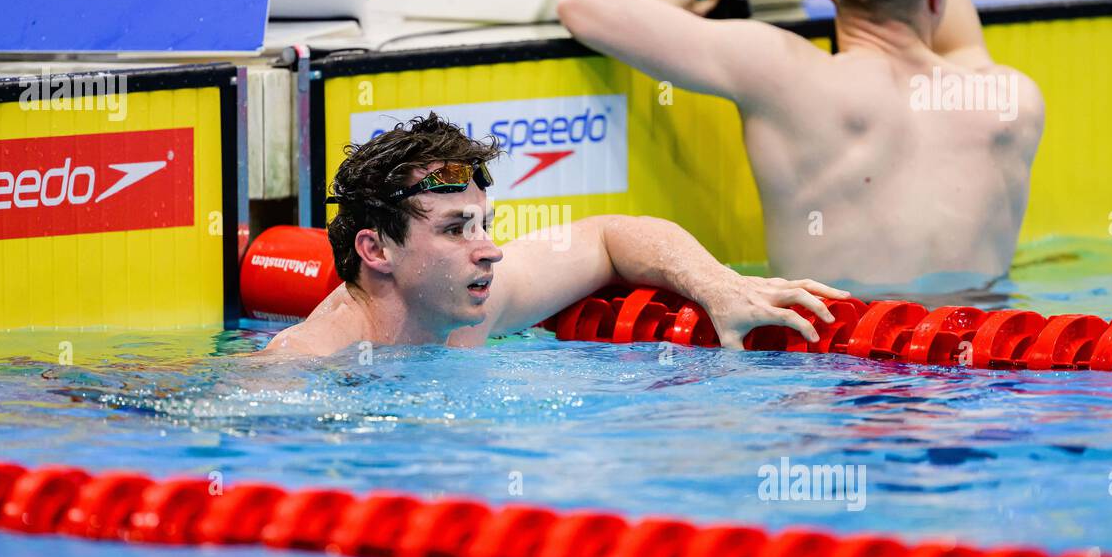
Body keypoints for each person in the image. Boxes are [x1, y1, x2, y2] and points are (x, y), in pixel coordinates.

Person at [555, 0, 1045, 291]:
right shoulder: (1010, 100)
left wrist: (660, 2)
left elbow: (583, 6)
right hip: (976, 358)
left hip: (833, 363)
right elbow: (960, 35)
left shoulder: (782, 72)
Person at [261, 113, 848, 357]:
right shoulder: (310, 363)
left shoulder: (469, 303)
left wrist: (717, 283)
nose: (488, 248)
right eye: (455, 230)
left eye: (484, 223)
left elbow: (610, 236)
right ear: (375, 250)